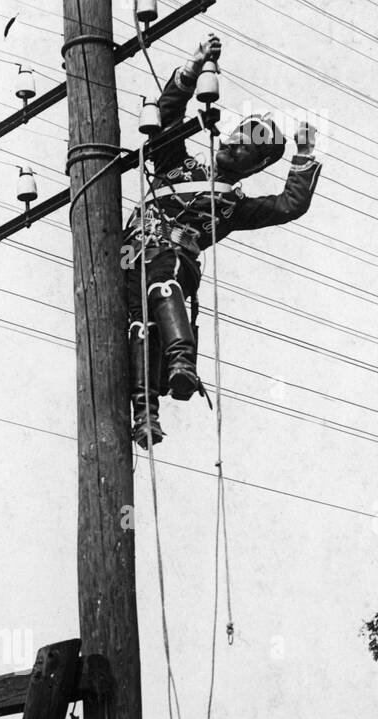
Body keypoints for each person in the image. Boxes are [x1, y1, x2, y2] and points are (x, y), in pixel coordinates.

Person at [123, 32, 322, 446]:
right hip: (132, 253)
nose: (236, 144)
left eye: (250, 147)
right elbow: (168, 114)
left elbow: (289, 204)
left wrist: (303, 154)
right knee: (149, 301)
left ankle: (149, 410)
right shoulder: (177, 162)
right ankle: (178, 362)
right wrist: (195, 68)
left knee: (151, 313)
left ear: (256, 165)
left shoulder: (236, 207)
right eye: (239, 134)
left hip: (171, 265)